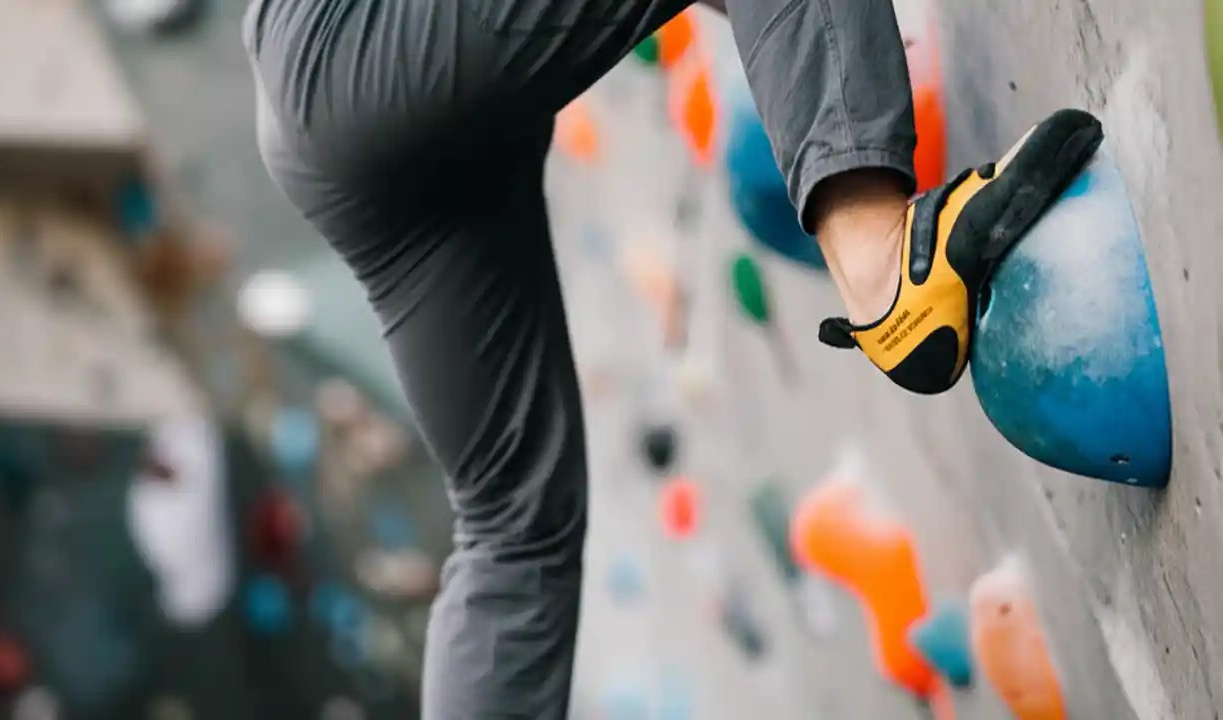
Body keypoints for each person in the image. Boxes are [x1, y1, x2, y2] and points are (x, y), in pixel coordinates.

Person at [241, 0, 1101, 715]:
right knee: (510, 529)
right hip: (360, 42)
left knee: (514, 530)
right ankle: (884, 266)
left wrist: (821, 54)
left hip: (321, 124)